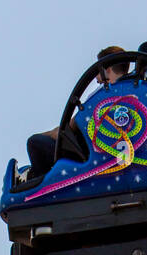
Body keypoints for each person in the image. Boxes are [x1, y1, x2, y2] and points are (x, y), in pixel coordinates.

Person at [25, 45, 130, 180]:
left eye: (98, 72)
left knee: (35, 142)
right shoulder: (133, 92)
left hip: (90, 159)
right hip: (118, 155)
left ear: (107, 69)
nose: (97, 78)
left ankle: (43, 188)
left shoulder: (100, 97)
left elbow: (69, 127)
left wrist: (46, 134)